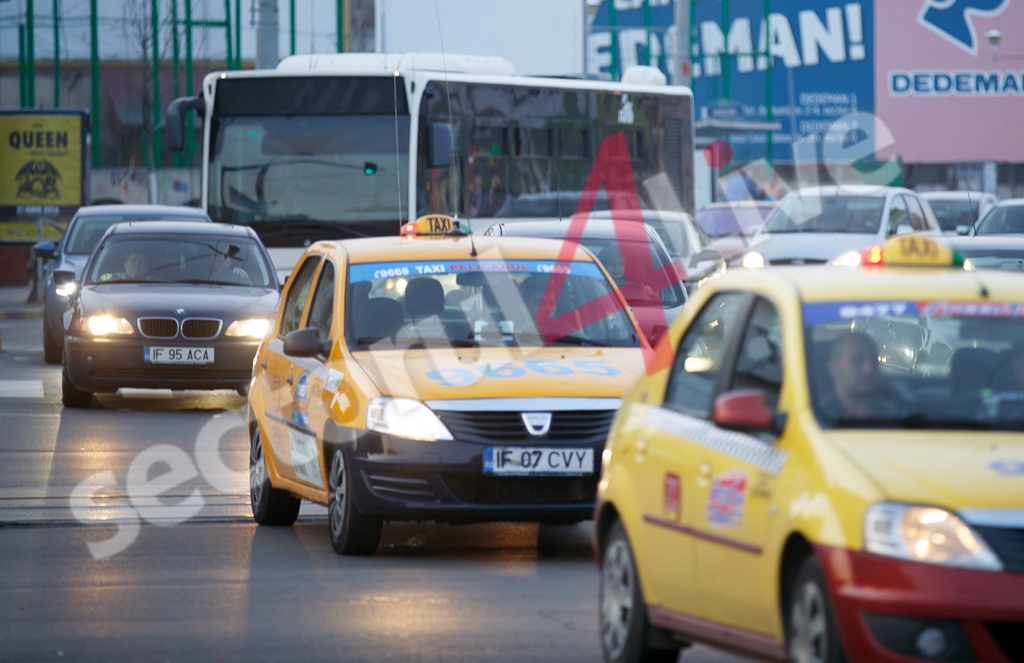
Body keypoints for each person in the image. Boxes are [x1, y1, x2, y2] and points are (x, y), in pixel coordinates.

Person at [819, 332, 904, 421]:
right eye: (857, 361)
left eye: (874, 360)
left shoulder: (899, 413)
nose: (869, 368)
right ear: (833, 368)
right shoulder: (817, 420)